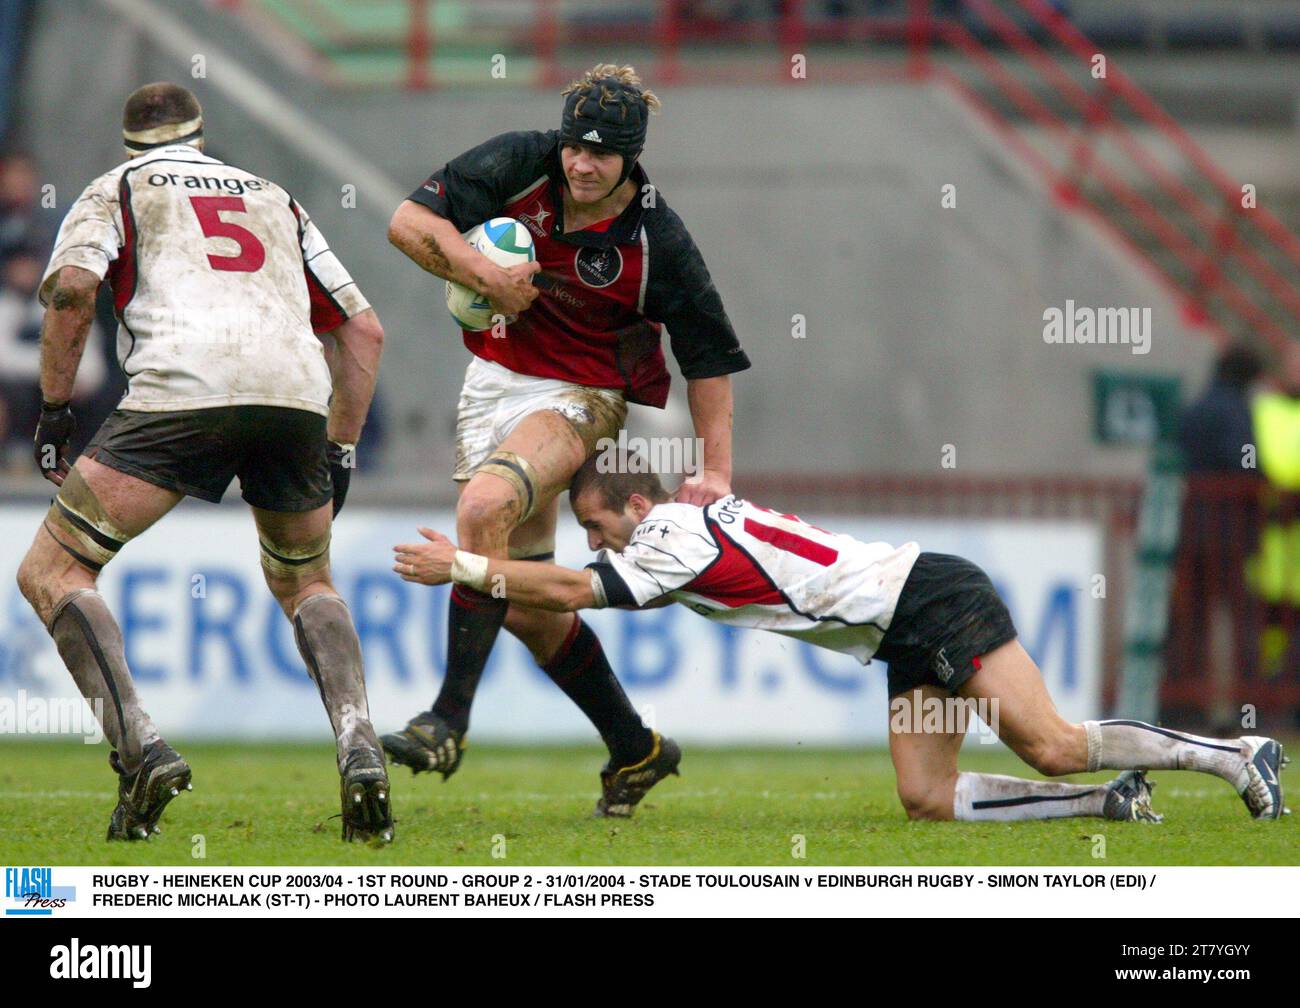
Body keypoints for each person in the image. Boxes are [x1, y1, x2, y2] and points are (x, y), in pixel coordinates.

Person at [392, 457, 1290, 824]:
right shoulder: (685, 516)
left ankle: (1237, 754)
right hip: (900, 625)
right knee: (926, 797)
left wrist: (470, 568)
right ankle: (1111, 805)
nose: (594, 539)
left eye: (595, 522)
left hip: (930, 601)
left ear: (634, 504)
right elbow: (589, 578)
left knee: (1051, 743)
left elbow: (581, 592)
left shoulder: (666, 530)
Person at [14, 82, 393, 843]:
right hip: (292, 398)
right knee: (306, 580)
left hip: (180, 392)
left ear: (132, 145)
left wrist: (54, 410)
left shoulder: (116, 187)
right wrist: (340, 445)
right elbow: (363, 329)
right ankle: (359, 743)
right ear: (200, 136)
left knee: (53, 573)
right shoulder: (273, 196)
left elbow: (72, 290)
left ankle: (142, 749)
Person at [384, 63, 750, 817]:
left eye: (601, 155)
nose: (581, 165)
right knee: (521, 602)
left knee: (485, 508)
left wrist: (716, 470)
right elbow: (406, 223)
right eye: (574, 148)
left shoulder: (659, 240)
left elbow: (709, 358)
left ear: (631, 158)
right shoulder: (521, 161)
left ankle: (446, 721)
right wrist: (483, 271)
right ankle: (636, 747)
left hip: (583, 397)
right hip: (489, 384)